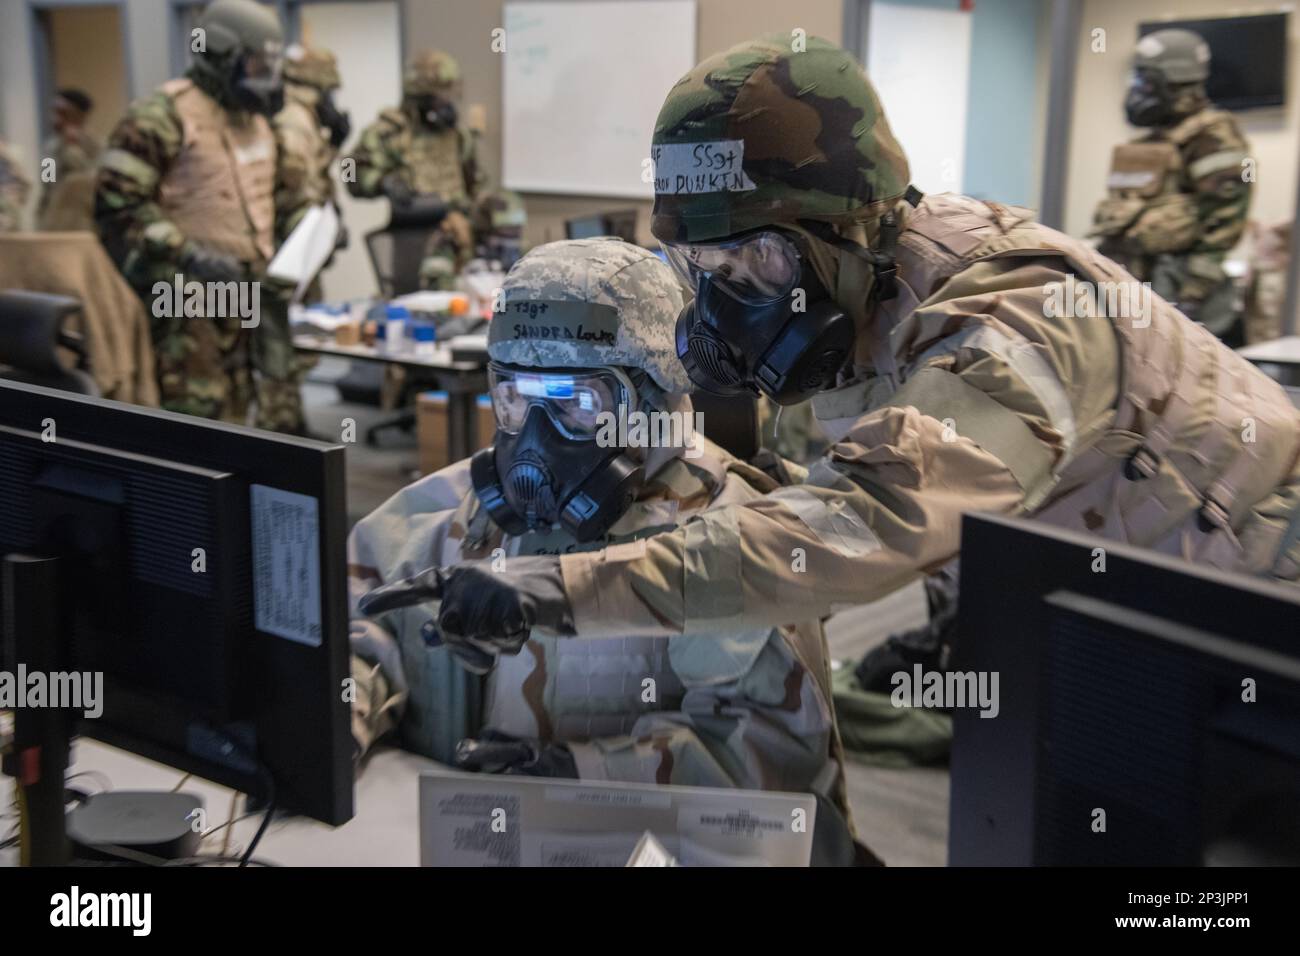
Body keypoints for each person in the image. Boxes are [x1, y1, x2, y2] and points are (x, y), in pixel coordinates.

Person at [361, 34, 1300, 757]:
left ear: (854, 227)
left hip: (1262, 629)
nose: (728, 292)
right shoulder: (842, 315)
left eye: (757, 257)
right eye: (702, 263)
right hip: (1109, 630)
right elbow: (799, 489)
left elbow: (864, 522)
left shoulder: (1021, 313)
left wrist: (562, 590)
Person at [350, 238, 862, 865]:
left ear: (653, 403)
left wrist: (576, 774)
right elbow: (359, 636)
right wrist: (339, 715)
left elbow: (770, 769)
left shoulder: (734, 537)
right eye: (514, 397)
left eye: (575, 402)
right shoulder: (441, 514)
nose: (536, 438)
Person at [94, 0, 284, 422]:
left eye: (267, 64)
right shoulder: (162, 115)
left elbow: (269, 196)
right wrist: (187, 252)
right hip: (185, 297)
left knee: (240, 408)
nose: (263, 76)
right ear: (221, 53)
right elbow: (117, 206)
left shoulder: (254, 120)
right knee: (194, 415)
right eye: (254, 63)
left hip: (241, 289)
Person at [1091, 28, 1252, 343]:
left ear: (1176, 82)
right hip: (1131, 289)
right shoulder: (1154, 141)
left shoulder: (1213, 136)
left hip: (1179, 296)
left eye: (1146, 82)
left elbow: (1225, 220)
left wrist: (1194, 292)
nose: (1138, 92)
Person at [257, 44, 350, 434]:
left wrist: (334, 144)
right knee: (281, 344)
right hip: (288, 251)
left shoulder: (299, 119)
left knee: (290, 341)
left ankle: (291, 423)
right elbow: (298, 186)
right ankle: (281, 430)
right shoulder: (295, 121)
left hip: (294, 247)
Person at [345, 49, 484, 289]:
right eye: (442, 96)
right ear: (420, 98)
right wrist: (382, 182)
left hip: (457, 244)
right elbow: (350, 172)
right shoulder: (389, 133)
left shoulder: (458, 136)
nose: (449, 103)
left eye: (451, 94)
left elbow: (475, 184)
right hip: (412, 244)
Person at [36, 88, 100, 232]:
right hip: (54, 223)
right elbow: (48, 184)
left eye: (63, 113)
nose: (56, 118)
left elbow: (92, 182)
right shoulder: (51, 148)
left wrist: (73, 150)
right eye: (54, 111)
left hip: (84, 225)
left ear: (79, 115)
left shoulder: (94, 145)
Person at [0, 139, 30, 232]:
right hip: (5, 195)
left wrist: (20, 195)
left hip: (11, 195)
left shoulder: (11, 161)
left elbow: (26, 182)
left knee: (13, 222)